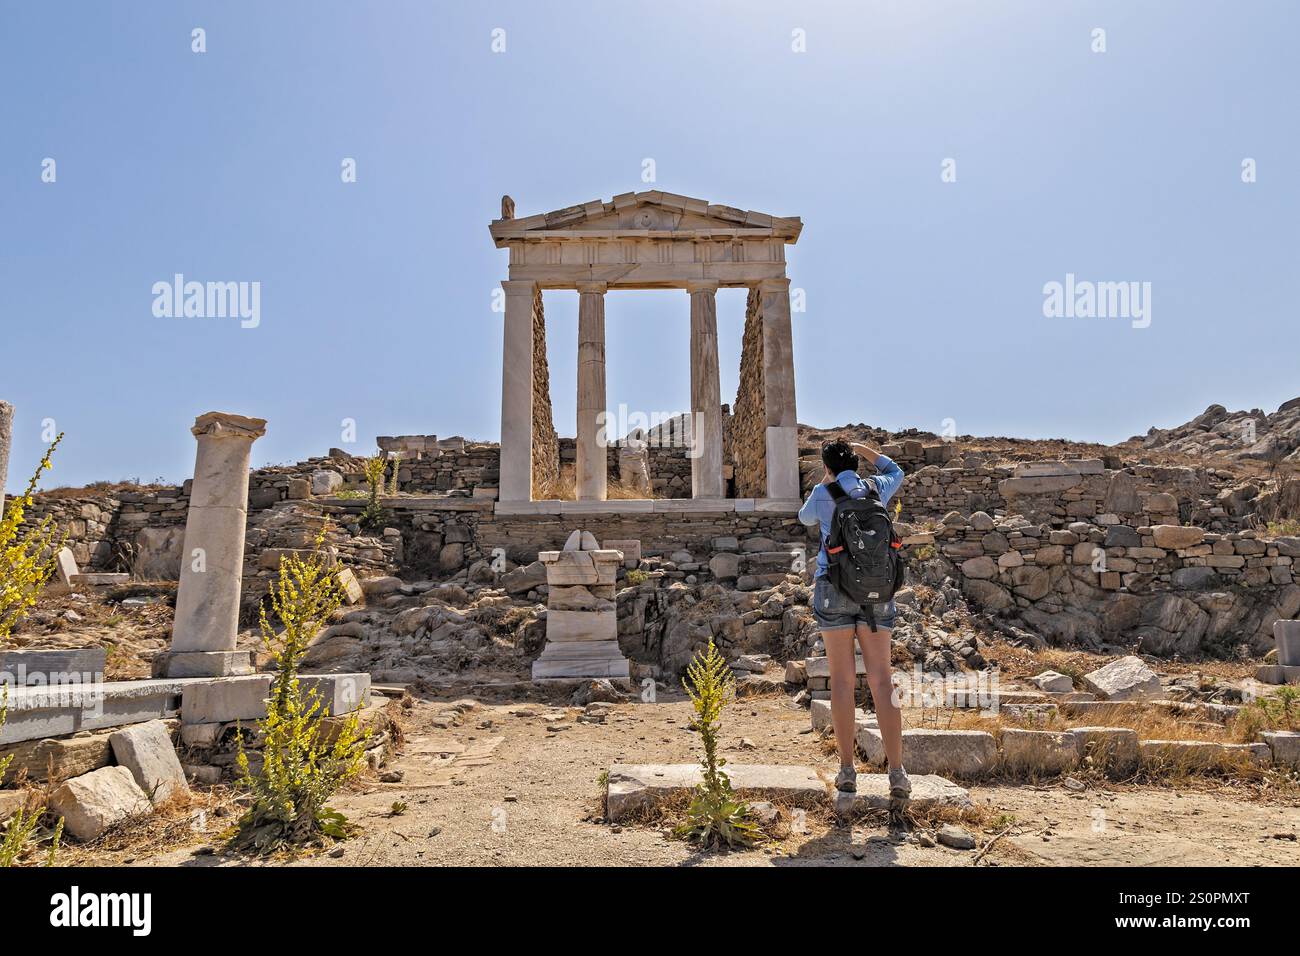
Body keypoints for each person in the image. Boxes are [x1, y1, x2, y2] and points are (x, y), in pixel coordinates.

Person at [798, 439, 909, 798]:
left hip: (834, 587)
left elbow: (804, 518)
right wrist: (865, 450)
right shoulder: (877, 487)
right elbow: (897, 470)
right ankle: (897, 773)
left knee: (842, 681)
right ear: (857, 463)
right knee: (882, 680)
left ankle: (847, 770)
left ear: (827, 467)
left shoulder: (822, 491)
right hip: (878, 593)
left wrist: (824, 483)